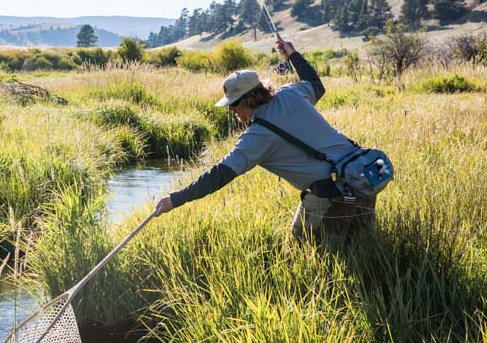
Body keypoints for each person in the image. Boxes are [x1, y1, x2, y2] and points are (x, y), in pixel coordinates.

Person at [154, 39, 377, 240]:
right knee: (364, 248)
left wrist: (175, 200)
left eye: (234, 104)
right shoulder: (291, 92)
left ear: (249, 99)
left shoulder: (258, 136)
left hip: (331, 195)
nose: (232, 111)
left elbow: (219, 175)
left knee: (308, 251)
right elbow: (316, 84)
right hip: (363, 176)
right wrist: (292, 54)